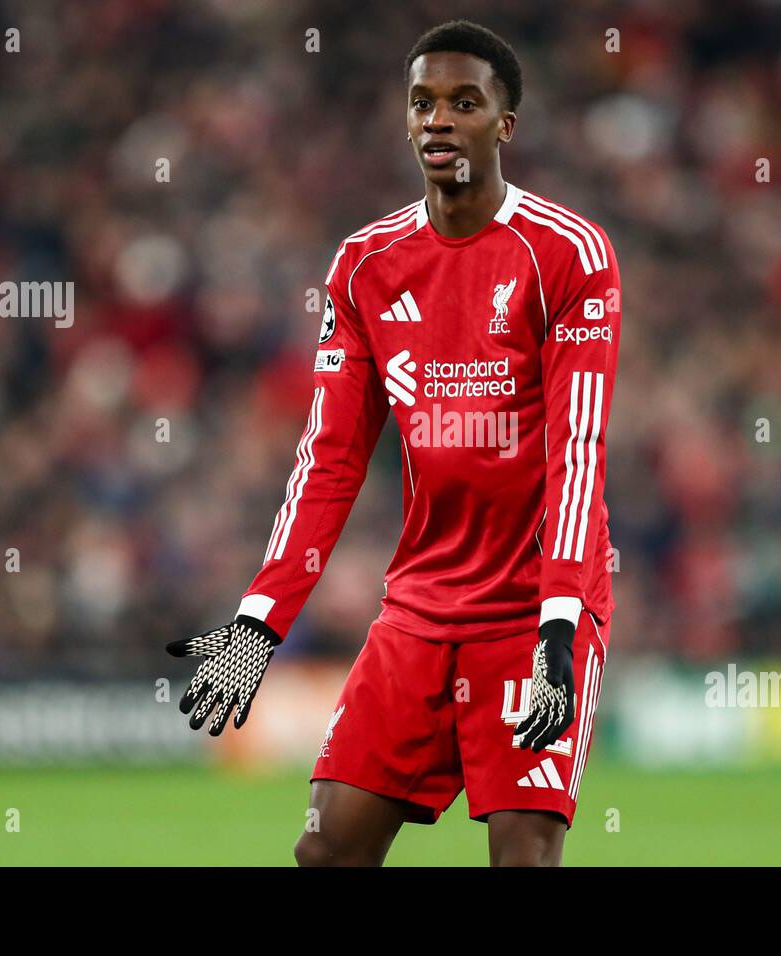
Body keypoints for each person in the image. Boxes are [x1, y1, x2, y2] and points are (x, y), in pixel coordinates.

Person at [167, 19, 621, 867]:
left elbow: (578, 451)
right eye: (422, 103)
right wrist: (260, 621)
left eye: (463, 102)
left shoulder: (569, 254)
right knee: (325, 852)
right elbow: (329, 459)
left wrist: (560, 626)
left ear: (504, 125)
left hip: (533, 610)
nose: (438, 119)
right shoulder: (365, 264)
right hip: (419, 606)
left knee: (523, 857)